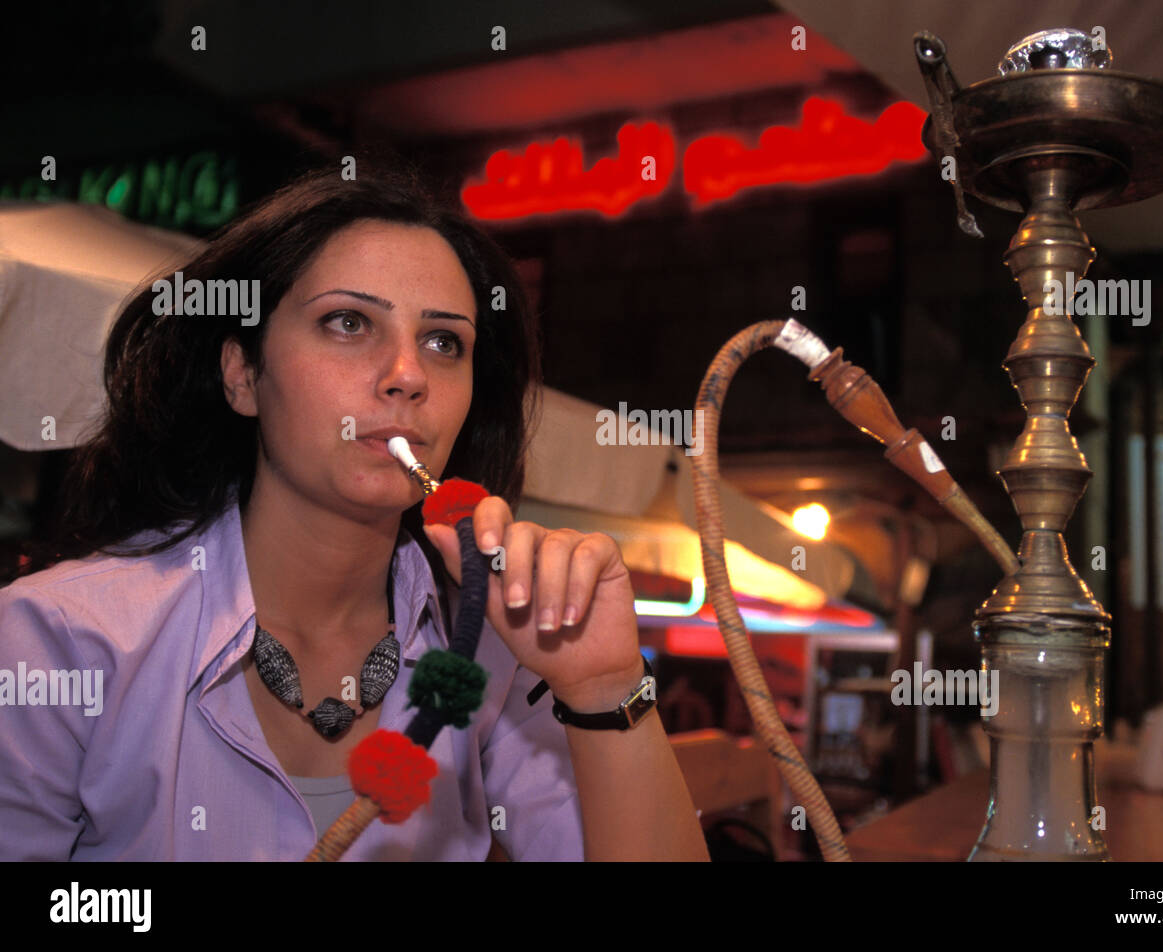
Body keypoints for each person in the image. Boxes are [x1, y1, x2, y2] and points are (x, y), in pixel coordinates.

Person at [0, 164, 709, 861]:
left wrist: (603, 687)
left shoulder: (496, 651)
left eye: (443, 342)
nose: (408, 374)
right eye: (348, 322)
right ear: (243, 375)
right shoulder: (57, 642)